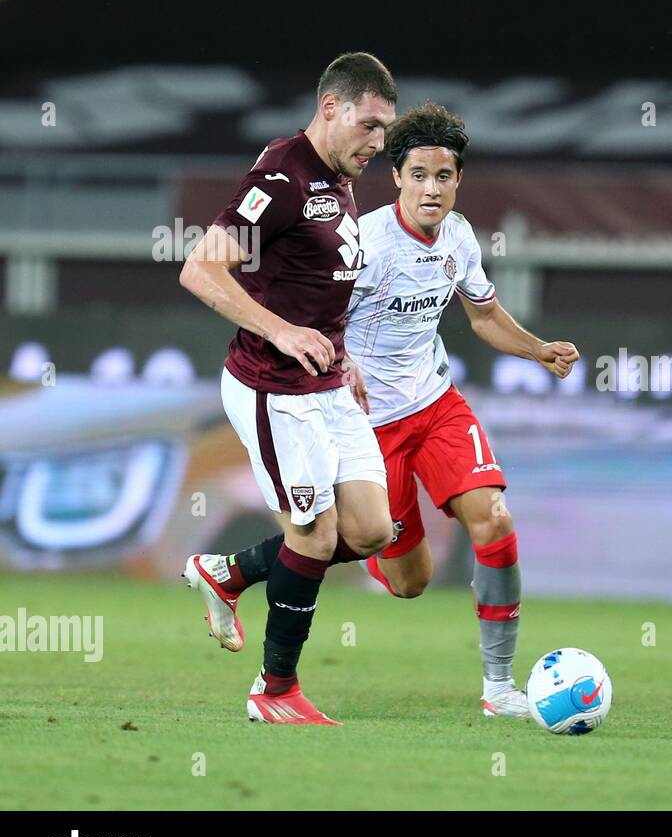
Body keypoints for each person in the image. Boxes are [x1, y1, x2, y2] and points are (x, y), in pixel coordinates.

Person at [200, 102, 580, 718]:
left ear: (459, 181)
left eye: (445, 176)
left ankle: (500, 688)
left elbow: (482, 315)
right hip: (369, 426)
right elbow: (316, 313)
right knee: (408, 580)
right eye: (420, 175)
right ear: (397, 178)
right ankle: (239, 570)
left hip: (437, 407)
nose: (433, 189)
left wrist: (538, 350)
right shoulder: (365, 243)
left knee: (495, 519)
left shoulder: (458, 238)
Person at [178, 52, 398, 725]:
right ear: (330, 107)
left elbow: (314, 284)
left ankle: (231, 572)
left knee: (368, 531)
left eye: (385, 131)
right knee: (311, 534)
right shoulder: (282, 175)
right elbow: (200, 268)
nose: (378, 144)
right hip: (275, 389)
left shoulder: (340, 175)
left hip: (328, 384)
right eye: (368, 126)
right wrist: (280, 331)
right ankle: (275, 693)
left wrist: (344, 352)